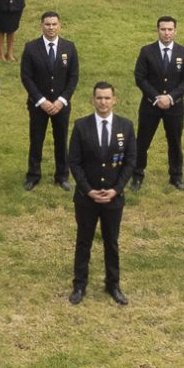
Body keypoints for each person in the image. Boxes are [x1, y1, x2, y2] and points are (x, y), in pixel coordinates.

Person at [65, 82, 135, 306]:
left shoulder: (126, 126)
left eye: (107, 98)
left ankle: (113, 284)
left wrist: (116, 189)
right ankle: (79, 285)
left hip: (114, 198)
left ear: (114, 100)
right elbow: (74, 162)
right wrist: (89, 190)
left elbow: (130, 161)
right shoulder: (81, 126)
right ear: (92, 100)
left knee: (111, 242)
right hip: (87, 198)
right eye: (99, 98)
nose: (103, 102)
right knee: (83, 241)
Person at [131, 15, 184, 192]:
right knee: (142, 141)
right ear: (157, 30)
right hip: (150, 106)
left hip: (175, 107)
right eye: (163, 29)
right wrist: (156, 97)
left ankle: (176, 177)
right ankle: (137, 175)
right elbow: (140, 78)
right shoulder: (147, 51)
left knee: (174, 142)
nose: (166, 33)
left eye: (170, 29)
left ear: (175, 31)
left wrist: (170, 98)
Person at [20, 10, 79, 192]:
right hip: (39, 105)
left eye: (54, 24)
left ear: (60, 25)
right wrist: (41, 100)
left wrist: (61, 100)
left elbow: (73, 76)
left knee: (61, 139)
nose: (51, 27)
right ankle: (33, 175)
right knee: (36, 139)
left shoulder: (69, 47)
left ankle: (62, 176)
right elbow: (26, 77)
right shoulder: (31, 48)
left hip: (61, 105)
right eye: (47, 24)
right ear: (41, 26)